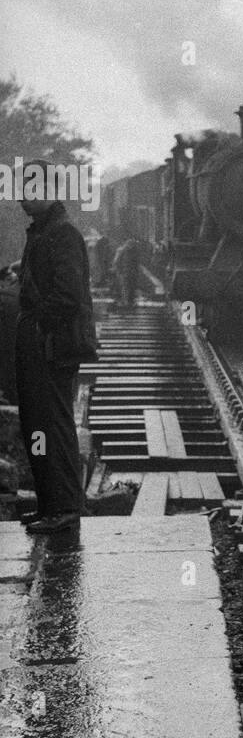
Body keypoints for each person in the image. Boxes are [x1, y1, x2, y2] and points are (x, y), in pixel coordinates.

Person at [16, 165, 98, 533]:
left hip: (53, 345)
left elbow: (68, 294)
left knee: (54, 425)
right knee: (37, 426)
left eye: (31, 189)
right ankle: (49, 504)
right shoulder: (44, 232)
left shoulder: (62, 234)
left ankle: (64, 508)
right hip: (40, 344)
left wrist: (38, 323)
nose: (23, 197)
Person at [112, 237, 141, 306]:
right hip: (125, 272)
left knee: (130, 287)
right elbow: (116, 262)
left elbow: (136, 263)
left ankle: (129, 301)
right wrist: (119, 271)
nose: (131, 246)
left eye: (132, 244)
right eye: (131, 244)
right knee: (126, 287)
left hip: (130, 273)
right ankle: (126, 301)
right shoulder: (122, 250)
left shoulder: (134, 251)